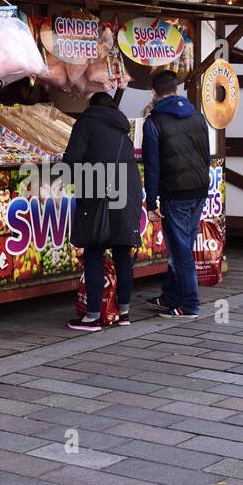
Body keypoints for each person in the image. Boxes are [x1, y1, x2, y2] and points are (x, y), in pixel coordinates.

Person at [64, 92, 144, 331]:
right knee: (122, 253)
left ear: (91, 105)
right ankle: (124, 313)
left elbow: (72, 159)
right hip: (128, 191)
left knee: (93, 252)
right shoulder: (122, 126)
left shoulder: (87, 122)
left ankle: (92, 317)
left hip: (98, 192)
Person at [141, 69, 210, 318]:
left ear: (154, 93)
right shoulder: (197, 116)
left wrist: (151, 202)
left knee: (180, 250)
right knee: (183, 245)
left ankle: (190, 303)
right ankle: (170, 295)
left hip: (176, 193)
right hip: (199, 189)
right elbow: (207, 155)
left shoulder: (153, 122)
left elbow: (152, 167)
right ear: (177, 90)